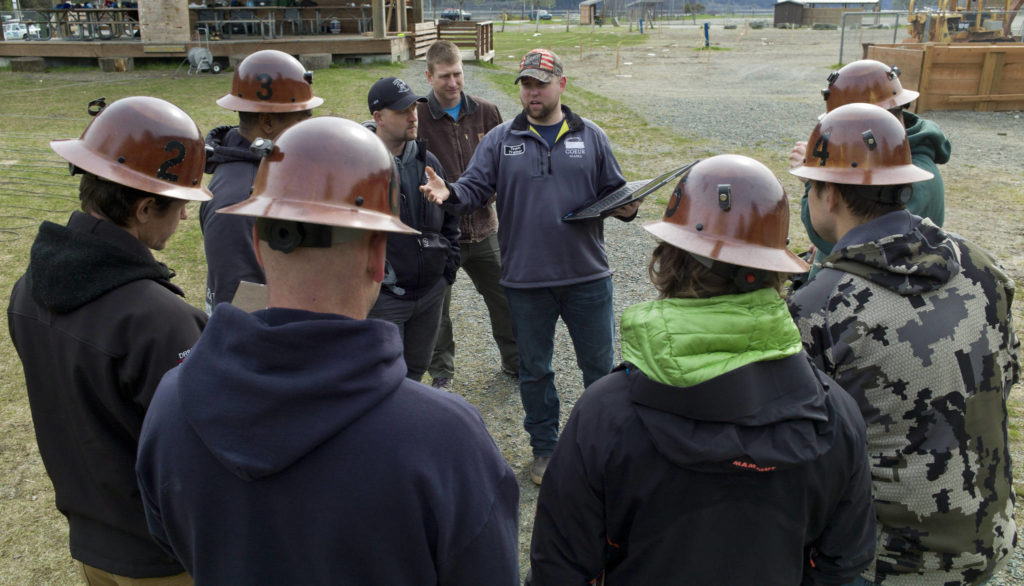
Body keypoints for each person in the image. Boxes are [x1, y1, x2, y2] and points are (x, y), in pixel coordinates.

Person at [135, 117, 520, 585]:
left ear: (259, 246)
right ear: (379, 259)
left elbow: (171, 540)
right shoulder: (447, 440)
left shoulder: (172, 404)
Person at [527, 155, 876, 585]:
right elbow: (843, 567)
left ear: (667, 260)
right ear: (776, 271)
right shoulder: (835, 416)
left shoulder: (604, 414)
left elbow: (557, 569)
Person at [788, 103, 1019, 585]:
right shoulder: (981, 265)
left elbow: (806, 457)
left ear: (827, 195)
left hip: (889, 563)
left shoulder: (820, 305)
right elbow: (1005, 375)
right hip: (987, 537)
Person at [7, 96, 211, 585]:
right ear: (144, 207)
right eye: (180, 202)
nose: (184, 217)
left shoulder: (27, 288)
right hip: (162, 557)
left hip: (92, 540)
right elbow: (201, 456)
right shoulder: (159, 319)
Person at [421, 48, 640, 485]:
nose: (532, 91)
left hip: (588, 278)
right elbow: (473, 188)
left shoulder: (591, 136)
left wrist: (628, 207)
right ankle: (545, 450)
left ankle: (603, 448)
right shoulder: (501, 140)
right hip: (526, 281)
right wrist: (451, 195)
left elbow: (618, 194)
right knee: (534, 371)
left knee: (599, 372)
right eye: (525, 83)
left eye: (541, 82)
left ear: (562, 83)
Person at [788, 59, 951, 280]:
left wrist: (814, 177)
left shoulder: (910, 175)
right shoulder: (887, 159)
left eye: (845, 126)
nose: (840, 136)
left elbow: (851, 241)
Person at [418, 39, 518, 391]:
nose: (453, 83)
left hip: (485, 229)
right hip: (441, 234)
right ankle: (441, 372)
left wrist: (487, 194)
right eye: (444, 76)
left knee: (506, 297)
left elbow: (507, 163)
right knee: (436, 309)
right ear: (429, 76)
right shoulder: (417, 117)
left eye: (458, 74)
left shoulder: (487, 112)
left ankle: (515, 361)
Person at [199, 49, 322, 312]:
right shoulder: (242, 199)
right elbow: (242, 309)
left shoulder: (264, 170)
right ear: (267, 122)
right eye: (302, 117)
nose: (308, 127)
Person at [366, 76, 460, 382]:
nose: (413, 116)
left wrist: (447, 270)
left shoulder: (427, 161)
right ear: (378, 117)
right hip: (384, 300)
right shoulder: (358, 164)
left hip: (430, 294)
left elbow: (450, 218)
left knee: (416, 372)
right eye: (402, 110)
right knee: (383, 380)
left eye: (414, 108)